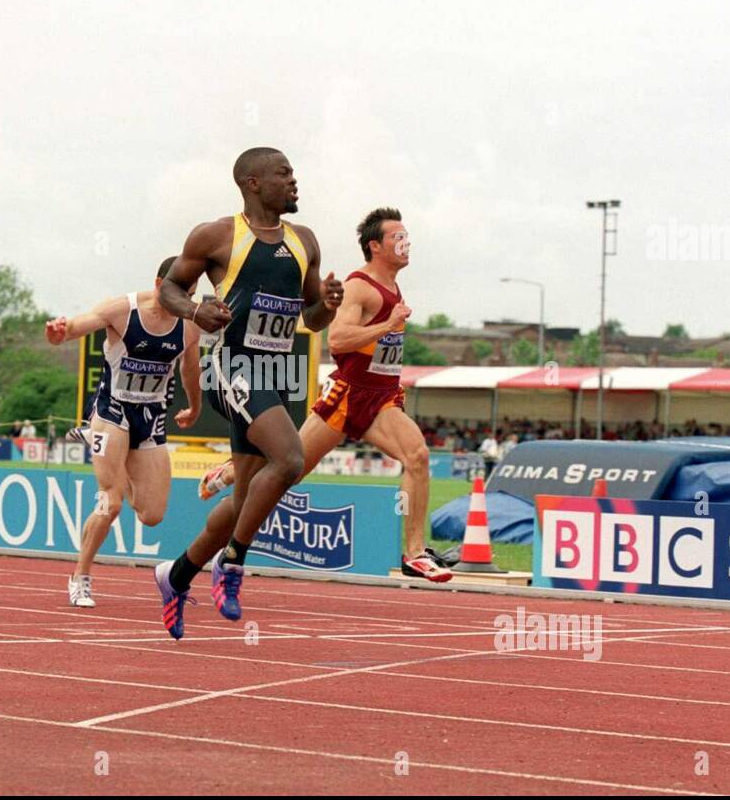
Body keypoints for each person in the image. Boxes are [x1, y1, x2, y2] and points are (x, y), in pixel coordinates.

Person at [197, 207, 453, 581]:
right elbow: (337, 338)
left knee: (417, 455)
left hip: (380, 399)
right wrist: (388, 325)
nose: (406, 243)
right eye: (397, 237)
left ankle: (414, 554)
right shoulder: (358, 286)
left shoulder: (393, 286)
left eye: (406, 235)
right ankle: (235, 472)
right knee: (289, 471)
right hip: (346, 397)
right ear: (375, 246)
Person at [153, 147, 343, 639]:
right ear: (252, 183)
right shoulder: (217, 235)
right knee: (291, 459)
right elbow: (170, 290)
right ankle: (232, 563)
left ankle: (176, 576)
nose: (295, 181)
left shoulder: (305, 241)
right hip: (233, 366)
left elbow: (311, 316)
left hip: (279, 372)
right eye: (284, 174)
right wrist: (196, 313)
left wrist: (331, 305)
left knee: (245, 500)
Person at [45, 257, 202, 607]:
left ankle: (114, 457)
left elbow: (191, 366)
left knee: (152, 515)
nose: (187, 303)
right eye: (181, 295)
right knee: (110, 502)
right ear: (160, 285)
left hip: (151, 417)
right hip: (112, 411)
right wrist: (60, 332)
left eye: (192, 295)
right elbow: (78, 325)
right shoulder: (123, 309)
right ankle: (80, 577)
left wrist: (195, 406)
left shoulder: (191, 324)